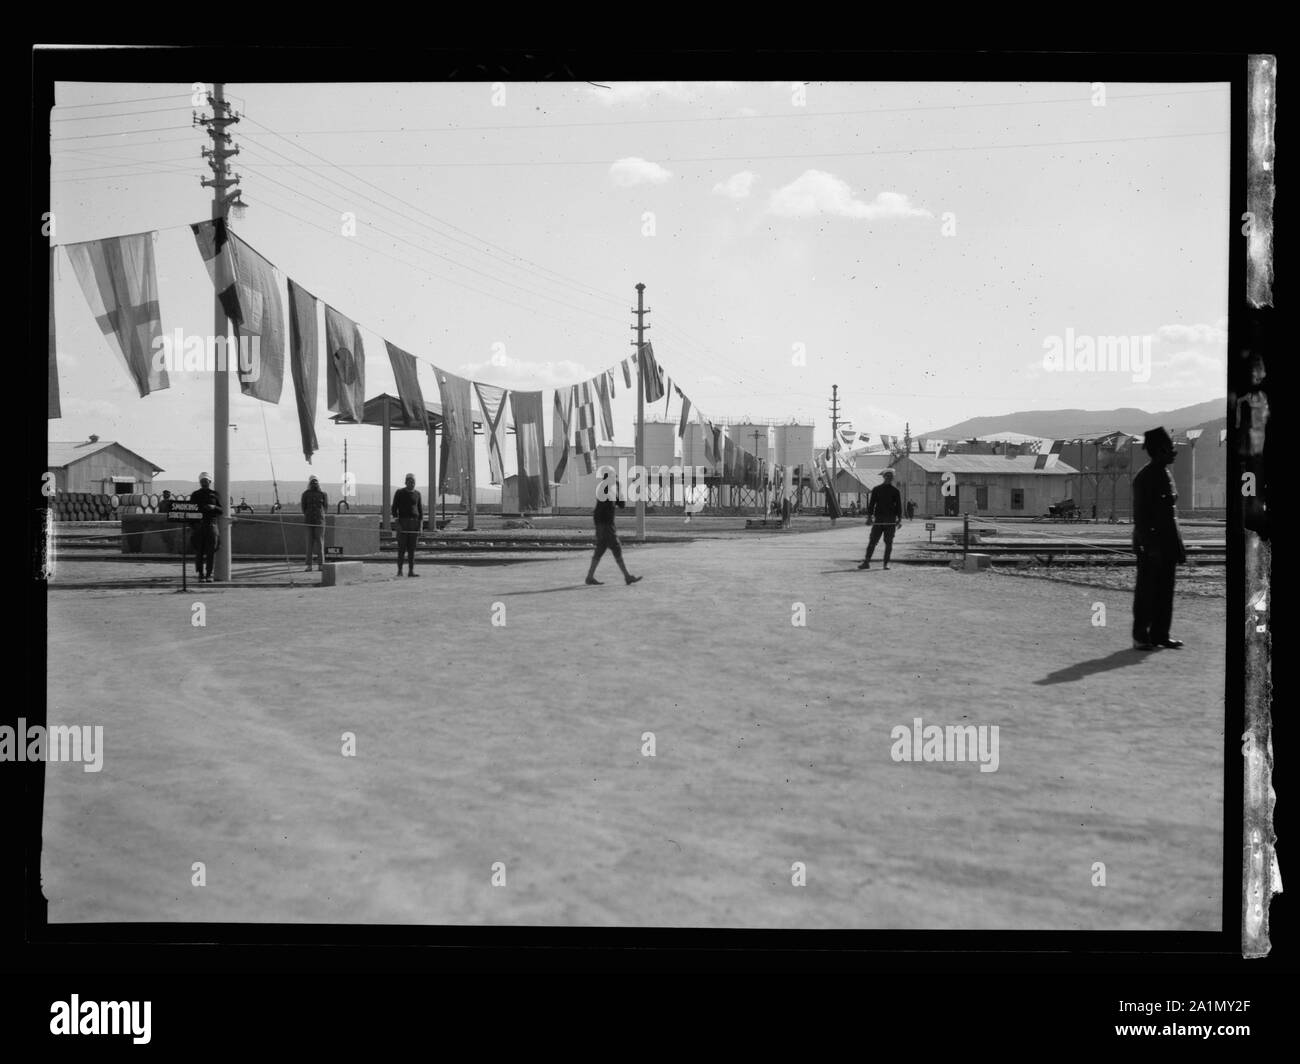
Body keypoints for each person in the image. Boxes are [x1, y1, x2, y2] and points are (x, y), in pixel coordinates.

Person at [1131, 426, 1186, 650]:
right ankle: (1140, 636)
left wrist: (1178, 545)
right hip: (1151, 544)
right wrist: (1149, 545)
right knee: (1147, 592)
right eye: (1170, 448)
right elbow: (1141, 517)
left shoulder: (1165, 473)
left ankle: (1160, 634)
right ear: (1160, 450)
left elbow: (1170, 515)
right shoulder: (1145, 477)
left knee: (1165, 591)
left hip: (1167, 543)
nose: (1174, 452)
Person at [586, 466, 641, 586]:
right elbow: (600, 510)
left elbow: (621, 505)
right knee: (616, 548)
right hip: (605, 525)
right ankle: (627, 576)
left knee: (600, 550)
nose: (615, 478)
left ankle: (590, 577)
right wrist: (601, 527)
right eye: (613, 476)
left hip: (606, 525)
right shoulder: (604, 489)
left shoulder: (611, 489)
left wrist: (620, 489)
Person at [858, 468, 903, 570]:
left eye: (890, 476)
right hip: (878, 520)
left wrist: (899, 519)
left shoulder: (895, 491)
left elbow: (899, 507)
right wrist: (869, 517)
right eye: (887, 476)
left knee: (889, 543)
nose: (888, 478)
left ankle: (885, 564)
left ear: (892, 478)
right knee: (872, 541)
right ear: (883, 477)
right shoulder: (876, 489)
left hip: (890, 520)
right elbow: (872, 504)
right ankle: (866, 562)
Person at [190, 472, 223, 583]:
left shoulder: (215, 494)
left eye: (206, 481)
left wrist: (213, 506)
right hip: (199, 526)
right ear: (200, 482)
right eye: (202, 481)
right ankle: (200, 574)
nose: (204, 483)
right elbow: (189, 511)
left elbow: (221, 510)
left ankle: (209, 574)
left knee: (211, 551)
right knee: (199, 551)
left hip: (211, 525)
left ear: (209, 482)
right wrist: (193, 526)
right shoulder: (195, 495)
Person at [391, 473, 423, 577]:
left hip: (414, 523)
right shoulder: (399, 492)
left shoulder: (418, 494)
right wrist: (397, 523)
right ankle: (399, 571)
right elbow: (394, 508)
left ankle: (411, 571)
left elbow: (420, 510)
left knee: (412, 549)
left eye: (413, 482)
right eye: (410, 481)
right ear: (405, 482)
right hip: (403, 523)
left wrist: (420, 525)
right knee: (401, 548)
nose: (412, 483)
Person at [301, 475, 329, 572]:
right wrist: (309, 515)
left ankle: (321, 565)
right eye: (313, 482)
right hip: (309, 521)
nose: (314, 483)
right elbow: (303, 508)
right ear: (309, 483)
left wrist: (320, 515)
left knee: (320, 543)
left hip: (319, 522)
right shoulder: (305, 494)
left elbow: (325, 507)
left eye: (316, 481)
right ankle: (309, 565)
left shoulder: (323, 494)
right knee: (309, 544)